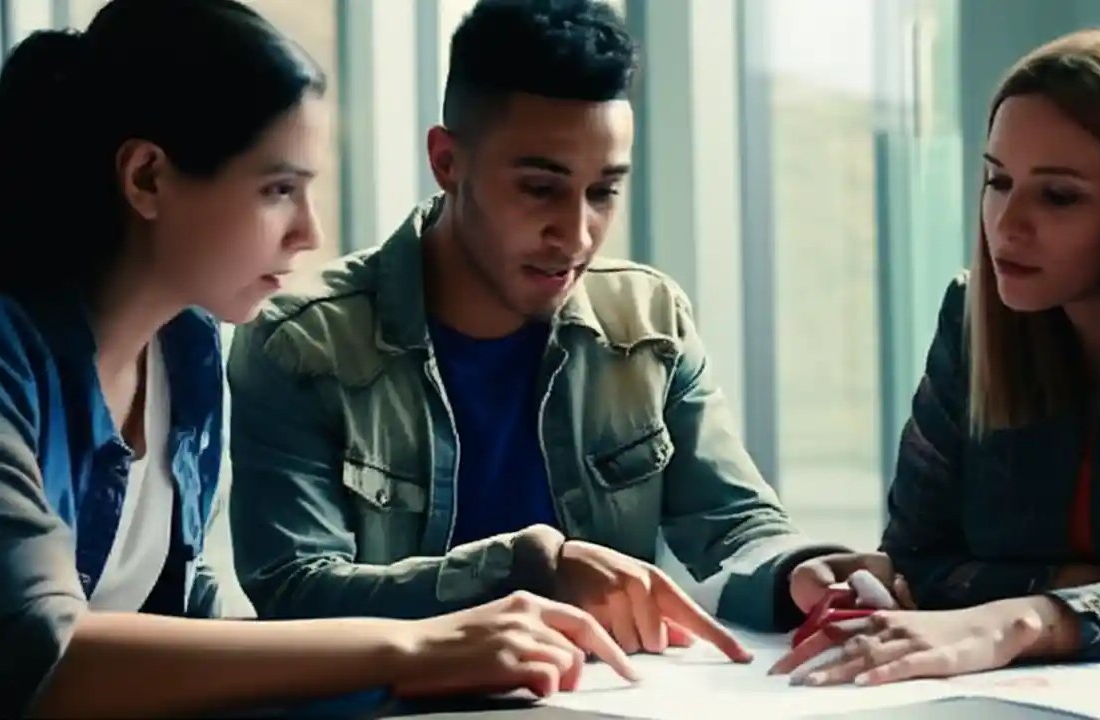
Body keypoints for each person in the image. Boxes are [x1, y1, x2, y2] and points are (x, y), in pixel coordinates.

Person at [0, 1, 637, 717]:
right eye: (279, 190)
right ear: (148, 178)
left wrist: (437, 669)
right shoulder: (10, 363)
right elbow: (44, 657)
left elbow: (173, 616)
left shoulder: (187, 349)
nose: (310, 231)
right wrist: (418, 647)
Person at [227, 0, 874, 658]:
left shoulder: (648, 323)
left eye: (604, 192)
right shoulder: (304, 344)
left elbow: (735, 526)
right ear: (447, 162)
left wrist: (803, 570)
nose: (577, 235)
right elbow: (296, 595)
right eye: (541, 189)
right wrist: (532, 565)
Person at [769, 27, 1100, 688]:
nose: (1006, 225)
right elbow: (913, 562)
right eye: (997, 180)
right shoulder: (972, 319)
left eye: (1058, 195)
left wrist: (1016, 618)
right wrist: (1096, 589)